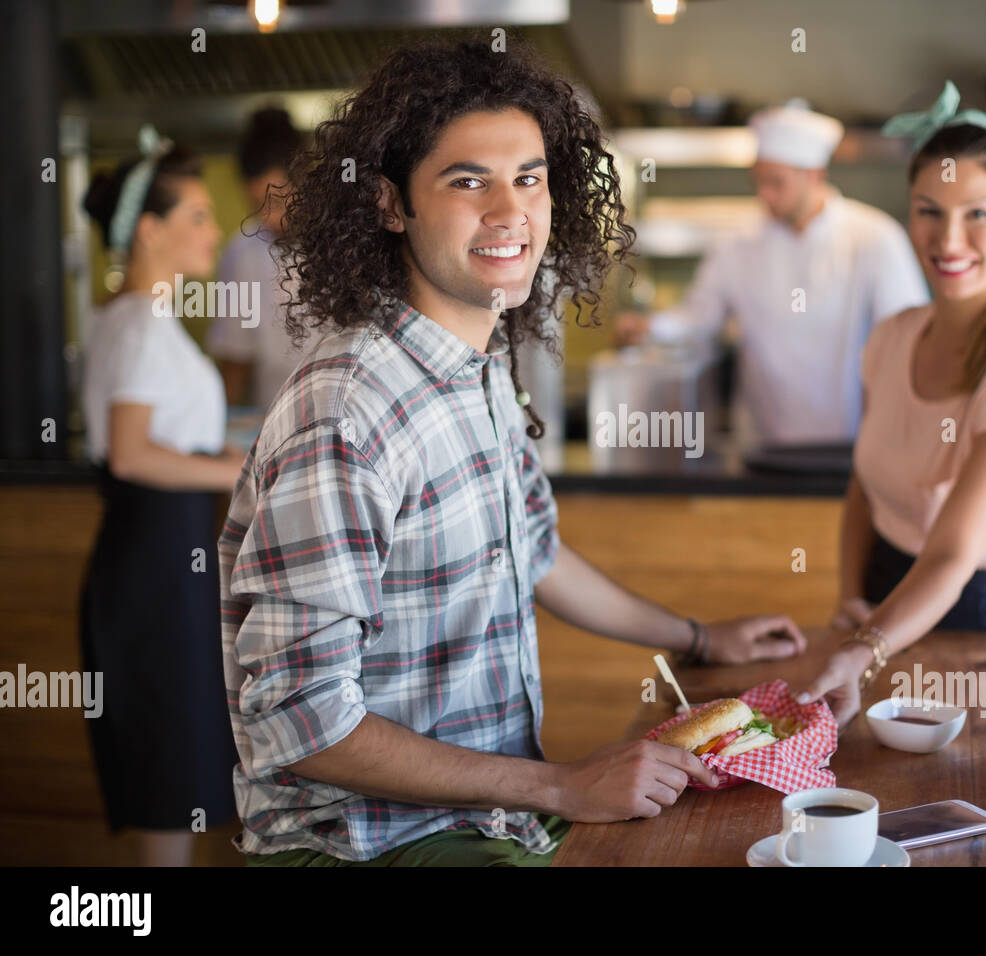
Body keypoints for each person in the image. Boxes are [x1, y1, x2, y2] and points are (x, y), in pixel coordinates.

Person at [218, 39, 807, 868]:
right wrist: (563, 785)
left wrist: (700, 638)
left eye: (529, 178)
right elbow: (304, 722)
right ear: (391, 205)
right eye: (468, 181)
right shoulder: (347, 414)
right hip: (367, 846)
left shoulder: (481, 364)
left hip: (494, 819)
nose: (512, 211)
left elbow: (536, 554)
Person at [797, 82, 986, 727]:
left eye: (977, 213)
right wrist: (852, 599)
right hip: (888, 611)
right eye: (929, 210)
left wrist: (865, 645)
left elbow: (954, 553)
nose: (948, 239)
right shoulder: (893, 338)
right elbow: (863, 488)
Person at [79, 133, 245, 866]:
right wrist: (236, 473)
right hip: (152, 573)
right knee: (169, 773)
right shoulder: (141, 325)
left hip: (162, 567)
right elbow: (131, 451)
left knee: (179, 771)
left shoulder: (135, 320)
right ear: (151, 229)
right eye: (200, 216)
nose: (214, 232)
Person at [618, 101, 929, 446]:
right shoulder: (736, 244)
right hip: (762, 441)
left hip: (851, 442)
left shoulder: (875, 239)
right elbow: (701, 316)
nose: (764, 195)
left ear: (814, 175)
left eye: (777, 183)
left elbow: (908, 340)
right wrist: (653, 327)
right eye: (759, 182)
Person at [205, 107, 315, 410]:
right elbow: (235, 360)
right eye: (257, 204)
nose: (269, 217)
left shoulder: (350, 241)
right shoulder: (241, 255)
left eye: (278, 201)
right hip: (273, 421)